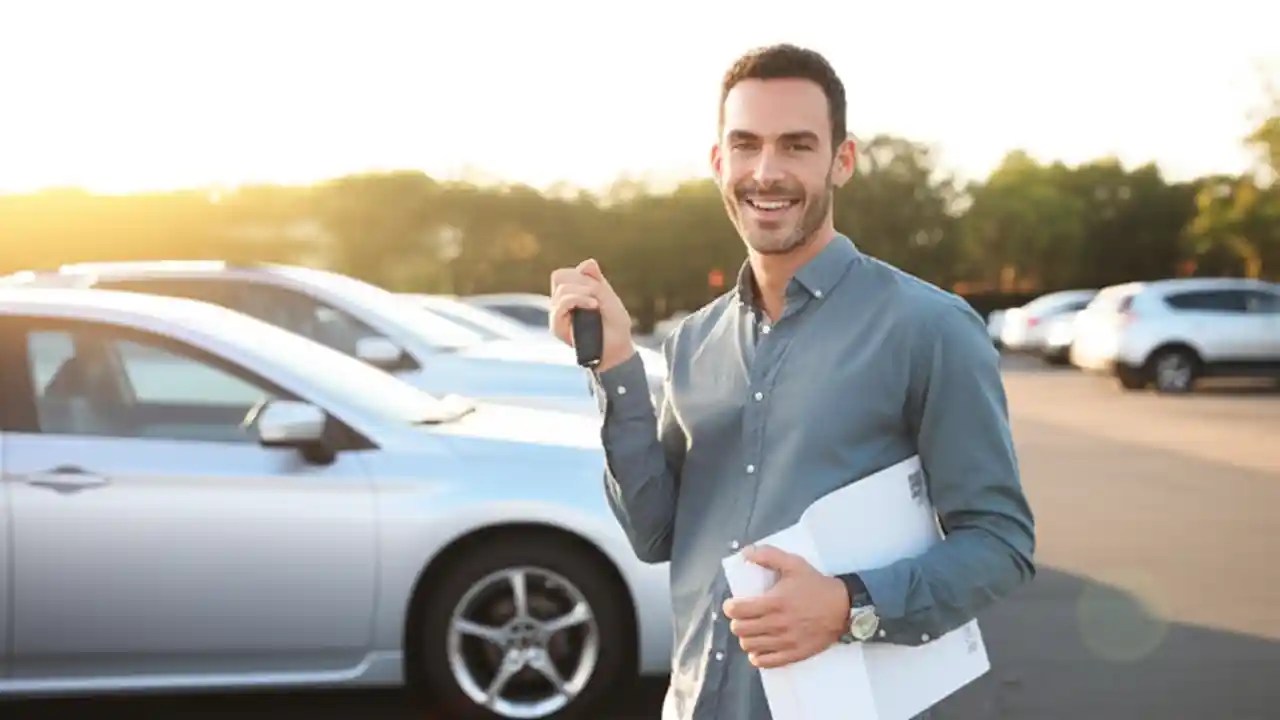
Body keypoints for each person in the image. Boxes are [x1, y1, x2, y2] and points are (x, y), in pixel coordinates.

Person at [549, 43, 1035, 720]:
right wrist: (617, 369)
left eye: (796, 146)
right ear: (719, 162)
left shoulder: (929, 328)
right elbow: (654, 535)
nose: (767, 172)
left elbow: (1000, 544)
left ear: (842, 161)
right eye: (745, 145)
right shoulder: (693, 341)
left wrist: (850, 606)